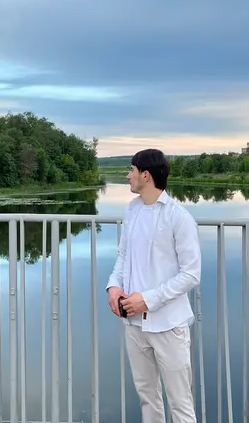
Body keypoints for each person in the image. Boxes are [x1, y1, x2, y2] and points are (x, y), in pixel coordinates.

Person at [106, 149, 201, 423]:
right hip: (134, 323)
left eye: (132, 170)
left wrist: (147, 300)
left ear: (145, 175)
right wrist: (114, 286)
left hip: (168, 325)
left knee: (181, 404)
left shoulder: (178, 217)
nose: (128, 176)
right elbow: (123, 255)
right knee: (148, 398)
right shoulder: (132, 209)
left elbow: (191, 274)